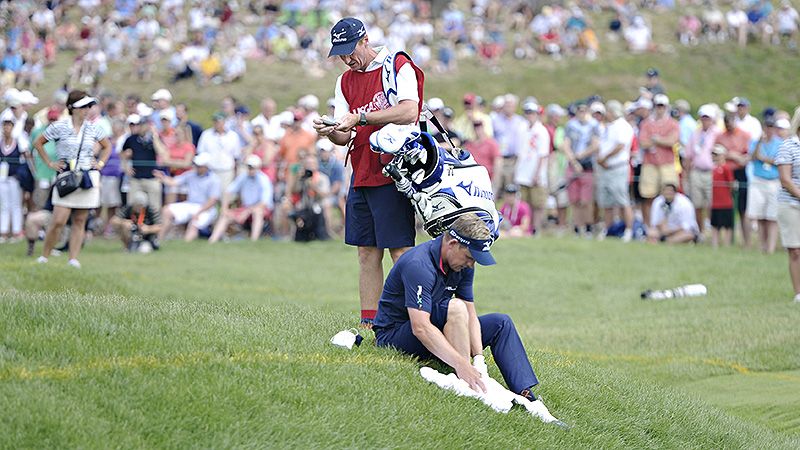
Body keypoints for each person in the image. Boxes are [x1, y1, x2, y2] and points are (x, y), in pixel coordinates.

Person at [372, 213, 556, 416]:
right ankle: (466, 381)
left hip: (437, 326)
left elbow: (471, 312)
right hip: (395, 335)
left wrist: (479, 360)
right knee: (455, 307)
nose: (471, 264)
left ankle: (526, 396)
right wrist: (462, 364)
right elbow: (420, 327)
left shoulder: (464, 264)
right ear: (452, 243)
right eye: (470, 257)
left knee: (501, 323)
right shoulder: (419, 264)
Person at [313, 17, 424, 327]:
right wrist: (330, 130)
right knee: (366, 251)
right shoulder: (344, 81)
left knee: (399, 250)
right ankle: (369, 320)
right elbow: (343, 136)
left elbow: (409, 111)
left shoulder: (397, 64)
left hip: (394, 171)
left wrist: (361, 117)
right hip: (361, 171)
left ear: (364, 40)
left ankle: (411, 319)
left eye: (350, 50)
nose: (347, 59)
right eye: (340, 53)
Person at [33, 90, 111, 268]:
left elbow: (107, 146)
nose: (87, 110)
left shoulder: (93, 127)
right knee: (58, 219)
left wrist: (99, 163)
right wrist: (50, 163)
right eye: (83, 106)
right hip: (67, 175)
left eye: (89, 106)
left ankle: (73, 258)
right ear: (73, 108)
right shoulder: (60, 126)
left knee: (80, 220)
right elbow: (38, 143)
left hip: (86, 176)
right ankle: (45, 255)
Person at [154, 153, 221, 242]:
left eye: (199, 166)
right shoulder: (190, 174)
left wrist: (199, 212)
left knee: (194, 224)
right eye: (196, 165)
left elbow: (212, 201)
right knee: (167, 211)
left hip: (207, 208)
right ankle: (159, 241)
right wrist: (163, 177)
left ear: (206, 166)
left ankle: (187, 244)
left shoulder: (214, 179)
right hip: (190, 204)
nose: (197, 167)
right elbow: (174, 182)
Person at [209, 154, 273, 243]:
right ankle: (213, 240)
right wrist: (225, 208)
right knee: (225, 215)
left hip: (260, 209)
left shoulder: (264, 180)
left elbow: (264, 203)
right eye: (249, 167)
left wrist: (247, 211)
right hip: (246, 208)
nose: (250, 170)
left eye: (252, 167)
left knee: (257, 213)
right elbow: (228, 191)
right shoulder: (243, 177)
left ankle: (253, 241)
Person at [638, 94, 679, 228]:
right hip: (649, 164)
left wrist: (656, 140)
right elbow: (643, 143)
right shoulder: (646, 123)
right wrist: (662, 140)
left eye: (662, 106)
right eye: (657, 106)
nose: (659, 109)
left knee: (668, 195)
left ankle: (666, 226)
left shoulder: (673, 123)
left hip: (667, 164)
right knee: (648, 196)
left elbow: (672, 141)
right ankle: (648, 226)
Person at [595, 100, 634, 242]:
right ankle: (609, 228)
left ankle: (629, 230)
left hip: (617, 168)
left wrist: (604, 157)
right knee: (606, 202)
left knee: (622, 199)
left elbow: (620, 146)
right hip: (606, 168)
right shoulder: (609, 127)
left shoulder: (622, 126)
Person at [748, 118, 786, 254]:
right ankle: (762, 246)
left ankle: (770, 247)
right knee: (760, 216)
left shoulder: (780, 143)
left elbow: (779, 161)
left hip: (773, 181)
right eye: (767, 127)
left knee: (772, 216)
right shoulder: (756, 142)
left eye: (771, 127)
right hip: (759, 180)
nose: (769, 130)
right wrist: (759, 143)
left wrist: (763, 158)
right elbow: (752, 157)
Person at [562, 102, 599, 237]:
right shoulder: (571, 125)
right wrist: (574, 161)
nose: (582, 113)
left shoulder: (593, 125)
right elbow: (566, 145)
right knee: (574, 200)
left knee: (586, 200)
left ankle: (588, 226)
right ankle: (578, 227)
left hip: (587, 165)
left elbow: (595, 145)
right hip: (573, 166)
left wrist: (580, 156)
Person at [715, 113, 752, 247]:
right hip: (725, 172)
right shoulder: (720, 136)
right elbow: (719, 154)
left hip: (740, 172)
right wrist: (733, 156)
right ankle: (725, 241)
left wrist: (733, 156)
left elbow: (747, 156)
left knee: (743, 208)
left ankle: (746, 242)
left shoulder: (745, 135)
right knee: (725, 207)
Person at [513, 101, 549, 235]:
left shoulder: (541, 131)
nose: (529, 115)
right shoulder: (522, 128)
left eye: (532, 113)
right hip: (523, 171)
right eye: (527, 113)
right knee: (525, 203)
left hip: (535, 172)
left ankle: (536, 228)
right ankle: (527, 228)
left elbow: (542, 155)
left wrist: (537, 173)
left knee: (537, 203)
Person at [775, 108, 800, 303]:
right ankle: (798, 293)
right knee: (796, 250)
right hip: (791, 204)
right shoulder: (788, 146)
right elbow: (786, 180)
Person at [684, 104, 720, 236]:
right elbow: (688, 155)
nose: (705, 121)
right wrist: (686, 174)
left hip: (711, 172)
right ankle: (701, 231)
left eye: (708, 118)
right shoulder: (695, 133)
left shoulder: (717, 133)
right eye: (703, 118)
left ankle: (711, 228)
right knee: (697, 203)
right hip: (697, 171)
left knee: (711, 202)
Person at [121, 114, 164, 210]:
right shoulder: (131, 139)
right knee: (132, 205)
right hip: (136, 178)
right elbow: (122, 154)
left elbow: (161, 152)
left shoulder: (154, 139)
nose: (139, 127)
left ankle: (154, 225)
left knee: (155, 207)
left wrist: (155, 136)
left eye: (141, 125)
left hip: (152, 178)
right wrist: (126, 167)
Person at [0, 111, 29, 242]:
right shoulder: (1, 143)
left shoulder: (18, 142)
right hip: (2, 179)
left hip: (15, 178)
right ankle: (4, 232)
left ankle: (16, 231)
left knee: (16, 205)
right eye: (4, 125)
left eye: (9, 125)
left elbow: (26, 158)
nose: (6, 128)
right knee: (4, 205)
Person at [196, 112, 241, 189]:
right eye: (215, 121)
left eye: (219, 121)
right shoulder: (206, 134)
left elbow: (236, 155)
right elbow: (200, 152)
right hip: (210, 170)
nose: (217, 124)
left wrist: (235, 173)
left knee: (225, 195)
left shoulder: (233, 136)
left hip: (226, 170)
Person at [710, 145, 735, 248]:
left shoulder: (726, 168)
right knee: (715, 224)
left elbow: (731, 184)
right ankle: (715, 243)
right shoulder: (714, 168)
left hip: (725, 202)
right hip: (715, 202)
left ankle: (726, 244)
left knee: (727, 225)